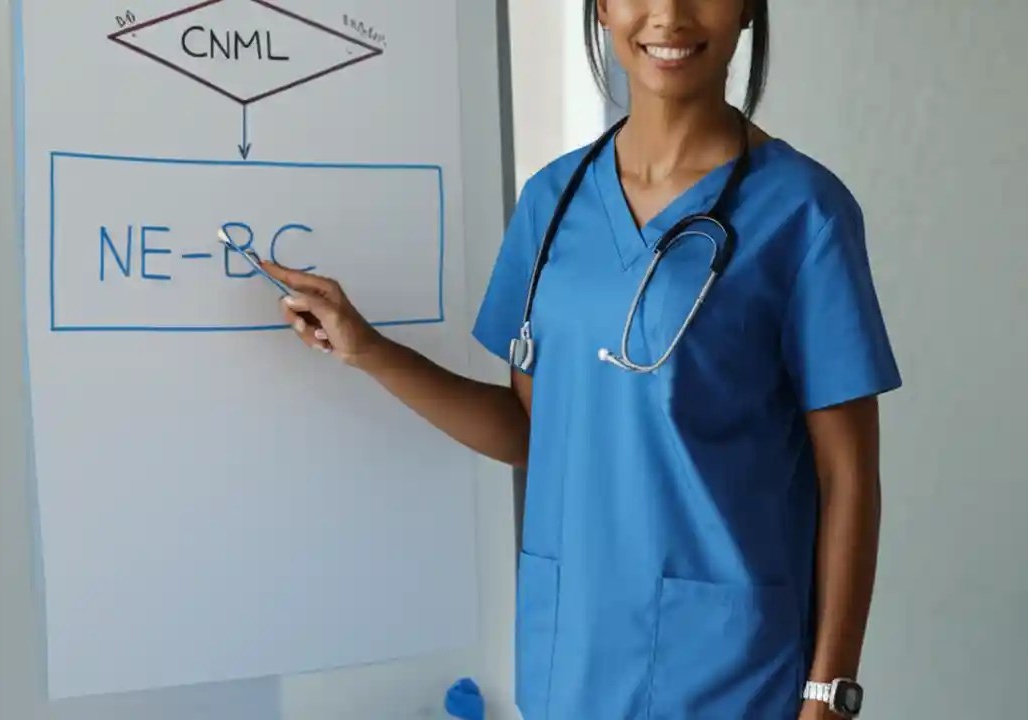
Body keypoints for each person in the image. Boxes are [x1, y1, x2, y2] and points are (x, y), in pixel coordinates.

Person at [261, 1, 901, 717]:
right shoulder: (553, 200)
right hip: (573, 660)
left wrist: (829, 691)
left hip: (732, 673)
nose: (669, 15)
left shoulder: (804, 211)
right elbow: (529, 431)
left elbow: (847, 475)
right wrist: (371, 352)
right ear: (600, 8)